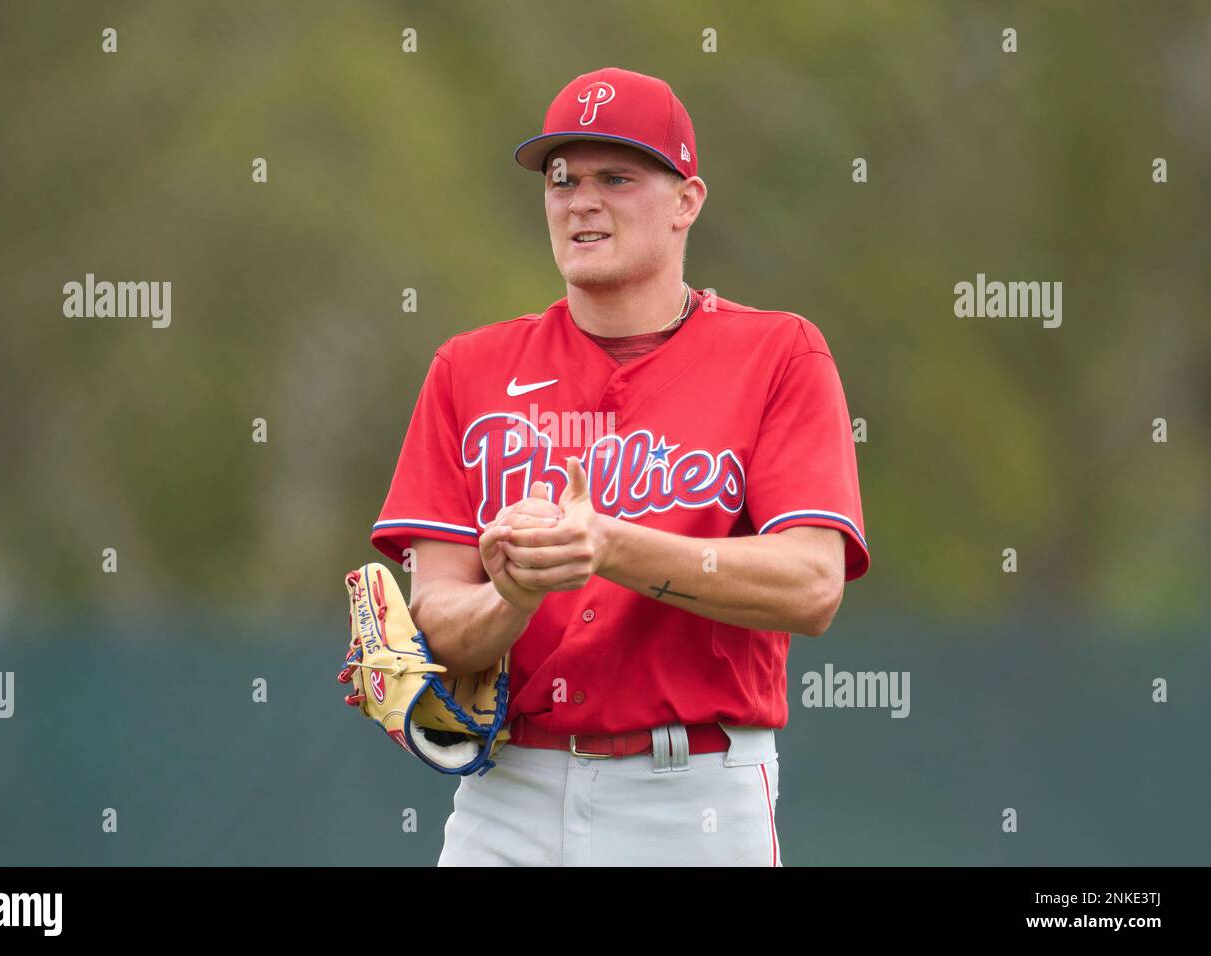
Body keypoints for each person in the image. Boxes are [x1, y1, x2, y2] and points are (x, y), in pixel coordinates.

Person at [371, 67, 869, 866]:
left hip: (695, 793)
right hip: (507, 797)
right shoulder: (467, 368)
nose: (581, 200)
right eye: (562, 179)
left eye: (617, 177)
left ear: (687, 201)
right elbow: (440, 622)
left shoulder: (779, 354)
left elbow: (812, 587)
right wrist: (513, 597)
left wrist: (606, 545)